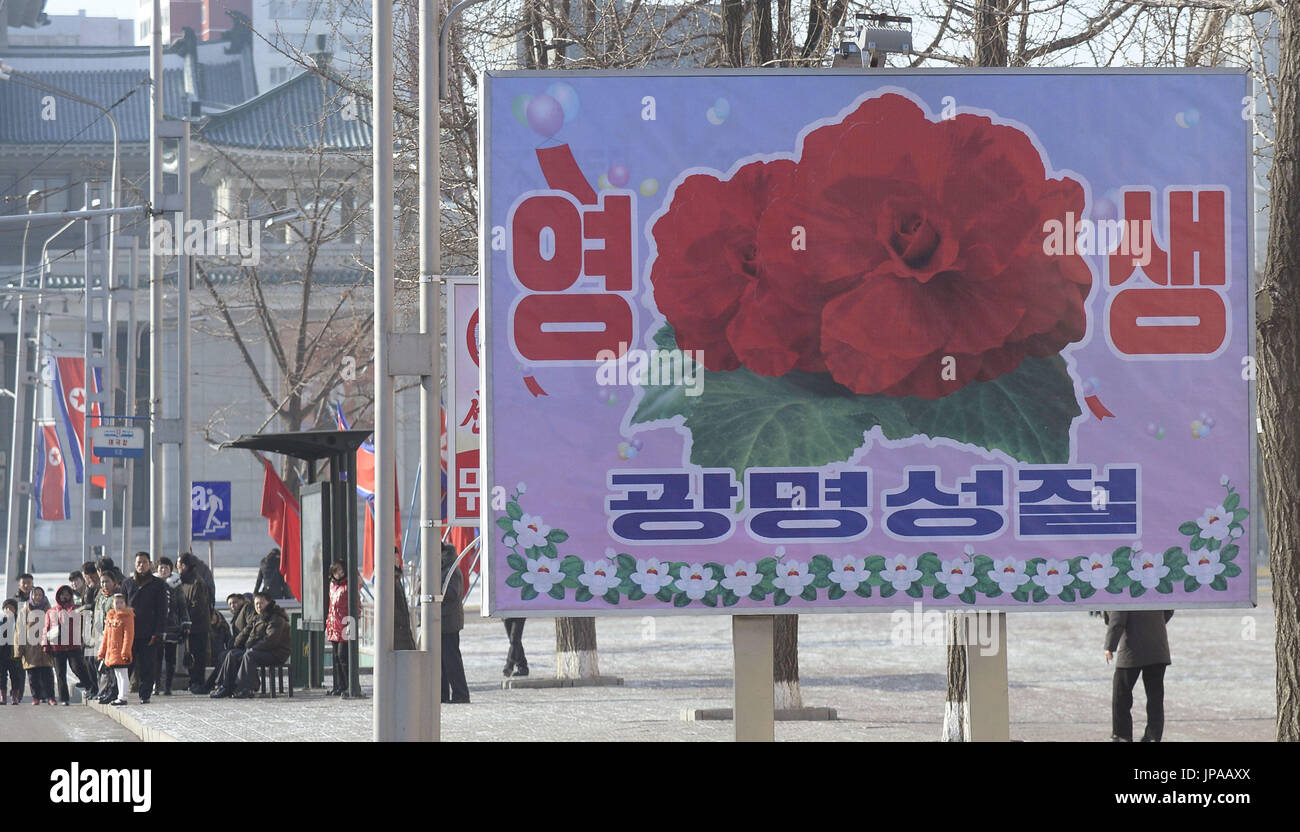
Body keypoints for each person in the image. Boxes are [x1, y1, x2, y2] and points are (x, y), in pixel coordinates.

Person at [1105, 609, 1174, 742]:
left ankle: (1122, 734)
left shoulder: (1122, 590)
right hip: (1157, 647)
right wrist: (1153, 623)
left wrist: (1110, 646)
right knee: (1155, 696)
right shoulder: (1155, 588)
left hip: (1131, 649)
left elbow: (1118, 618)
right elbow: (1169, 607)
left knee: (1121, 693)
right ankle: (1153, 735)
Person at [210, 592, 291, 699]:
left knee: (249, 655)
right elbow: (245, 633)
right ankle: (225, 686)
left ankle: (246, 688)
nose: (258, 606)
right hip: (260, 650)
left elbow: (271, 641)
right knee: (232, 654)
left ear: (269, 603)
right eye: (256, 604)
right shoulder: (257, 618)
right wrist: (235, 645)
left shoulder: (276, 618)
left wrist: (252, 648)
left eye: (261, 603)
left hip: (276, 653)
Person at [121, 552, 167, 704]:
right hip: (130, 632)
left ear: (150, 564)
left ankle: (145, 695)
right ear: (135, 564)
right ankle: (122, 694)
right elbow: (120, 609)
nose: (141, 565)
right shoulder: (127, 584)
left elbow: (162, 610)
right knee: (127, 664)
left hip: (149, 632)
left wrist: (158, 631)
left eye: (144, 562)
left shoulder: (158, 584)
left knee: (148, 665)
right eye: (139, 562)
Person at [43, 585, 94, 705]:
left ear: (71, 596)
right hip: (57, 647)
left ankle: (90, 687)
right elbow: (46, 628)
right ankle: (64, 698)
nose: (64, 596)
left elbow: (86, 622)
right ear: (58, 596)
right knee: (60, 674)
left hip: (73, 646)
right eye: (62, 594)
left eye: (67, 594)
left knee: (78, 668)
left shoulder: (76, 609)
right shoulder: (51, 611)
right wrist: (45, 644)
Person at [155, 558, 190, 696]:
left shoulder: (176, 585)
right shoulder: (152, 584)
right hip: (156, 626)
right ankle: (156, 685)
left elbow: (182, 605)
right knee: (156, 658)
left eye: (166, 568)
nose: (163, 570)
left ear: (171, 570)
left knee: (170, 658)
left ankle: (168, 686)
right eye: (160, 568)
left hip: (172, 626)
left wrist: (186, 622)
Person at [178, 552, 211, 694]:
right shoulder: (185, 582)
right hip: (190, 625)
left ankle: (198, 682)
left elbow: (198, 607)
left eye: (178, 566)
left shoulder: (197, 583)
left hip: (197, 626)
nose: (177, 569)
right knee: (191, 655)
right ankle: (193, 681)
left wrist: (186, 619)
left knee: (198, 655)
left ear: (184, 566)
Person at [441, 544, 470, 704]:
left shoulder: (451, 570)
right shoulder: (437, 568)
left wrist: (435, 593)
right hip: (438, 623)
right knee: (441, 663)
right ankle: (442, 694)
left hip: (449, 623)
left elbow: (452, 593)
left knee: (452, 661)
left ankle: (460, 694)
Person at [18, 587, 56, 705]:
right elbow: (20, 631)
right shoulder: (24, 611)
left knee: (47, 674)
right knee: (32, 675)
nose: (38, 597)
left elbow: (55, 628)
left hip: (46, 647)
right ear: (31, 596)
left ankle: (51, 697)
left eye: (40, 595)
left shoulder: (49, 610)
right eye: (35, 595)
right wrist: (19, 648)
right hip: (30, 648)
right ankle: (36, 697)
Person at [97, 593, 134, 707]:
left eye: (121, 602)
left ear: (125, 604)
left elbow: (129, 636)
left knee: (123, 674)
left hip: (121, 651)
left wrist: (125, 651)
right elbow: (106, 637)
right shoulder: (110, 617)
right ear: (112, 604)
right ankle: (120, 695)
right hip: (112, 652)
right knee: (117, 674)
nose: (119, 605)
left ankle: (123, 697)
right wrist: (102, 652)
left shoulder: (127, 617)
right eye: (116, 602)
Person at [92, 571, 122, 704]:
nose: (104, 584)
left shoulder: (116, 598)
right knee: (100, 665)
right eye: (102, 582)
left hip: (112, 636)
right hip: (100, 636)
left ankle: (112, 692)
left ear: (114, 582)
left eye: (107, 581)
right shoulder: (101, 596)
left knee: (111, 666)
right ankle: (103, 690)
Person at [325, 560, 350, 696]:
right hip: (333, 625)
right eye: (336, 571)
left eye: (341, 570)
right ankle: (339, 685)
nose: (339, 573)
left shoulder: (348, 585)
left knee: (343, 656)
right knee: (336, 657)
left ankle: (348, 685)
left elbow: (356, 604)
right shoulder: (332, 585)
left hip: (345, 624)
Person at [1, 599, 25, 704]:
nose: (8, 610)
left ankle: (15, 697)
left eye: (11, 608)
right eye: (6, 608)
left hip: (15, 653)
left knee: (16, 676)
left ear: (15, 610)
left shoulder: (19, 622)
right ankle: (2, 697)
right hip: (2, 653)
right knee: (1, 676)